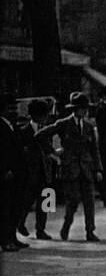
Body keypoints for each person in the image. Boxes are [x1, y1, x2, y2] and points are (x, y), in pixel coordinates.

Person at [37, 92, 103, 242]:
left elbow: (94, 149)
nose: (85, 111)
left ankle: (90, 231)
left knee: (89, 202)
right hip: (70, 169)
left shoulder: (88, 126)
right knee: (72, 201)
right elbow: (40, 135)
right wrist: (53, 152)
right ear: (74, 109)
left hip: (86, 169)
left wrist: (98, 169)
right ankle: (66, 226)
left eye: (86, 108)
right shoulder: (63, 124)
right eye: (82, 108)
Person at [17, 98, 54, 241]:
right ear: (36, 115)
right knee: (26, 201)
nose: (45, 118)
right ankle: (20, 223)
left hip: (45, 170)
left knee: (45, 201)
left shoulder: (47, 130)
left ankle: (41, 229)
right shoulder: (24, 131)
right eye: (43, 115)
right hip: (30, 173)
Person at [0, 92, 29, 250]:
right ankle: (5, 241)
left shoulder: (13, 126)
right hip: (7, 174)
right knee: (6, 209)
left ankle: (12, 237)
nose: (15, 111)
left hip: (18, 173)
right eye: (11, 108)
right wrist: (6, 170)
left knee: (15, 207)